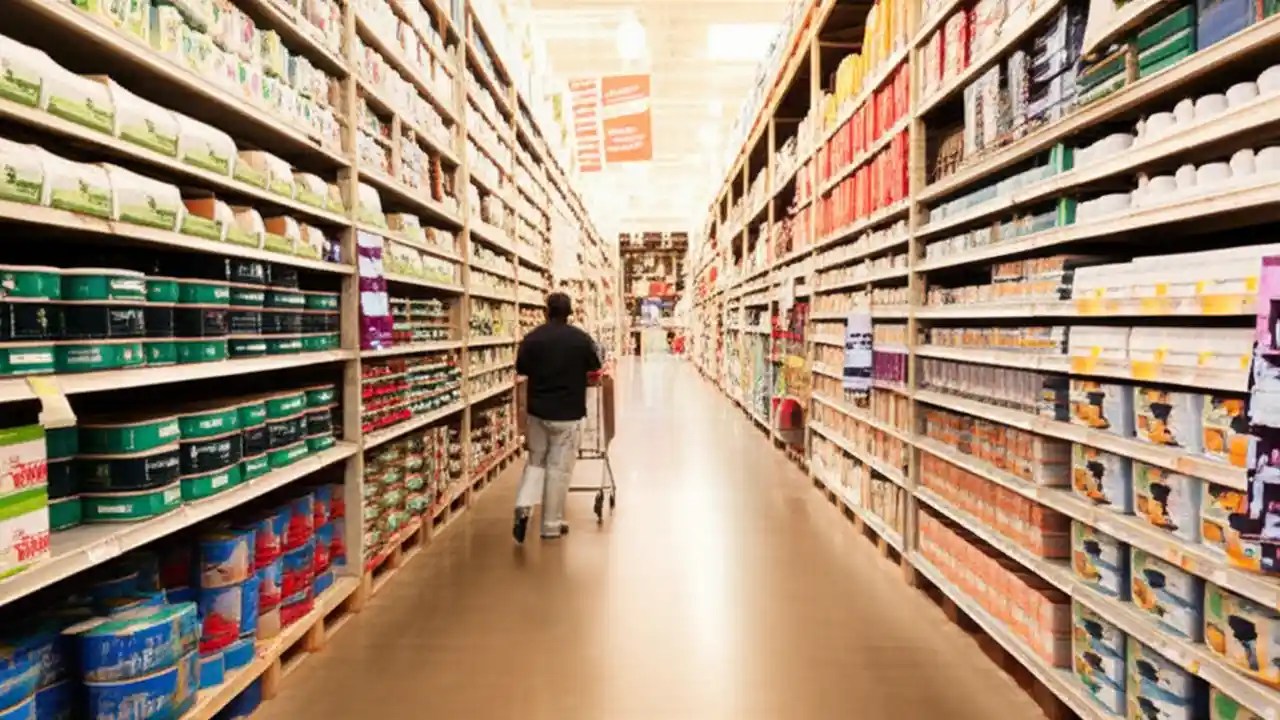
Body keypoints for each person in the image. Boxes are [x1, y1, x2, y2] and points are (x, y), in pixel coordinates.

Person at [512, 292, 602, 542]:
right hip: (567, 414)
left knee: (535, 463)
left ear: (546, 311)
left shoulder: (531, 339)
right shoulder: (580, 339)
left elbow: (521, 369)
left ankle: (522, 508)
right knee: (558, 470)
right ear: (570, 313)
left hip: (538, 412)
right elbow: (595, 367)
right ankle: (551, 525)